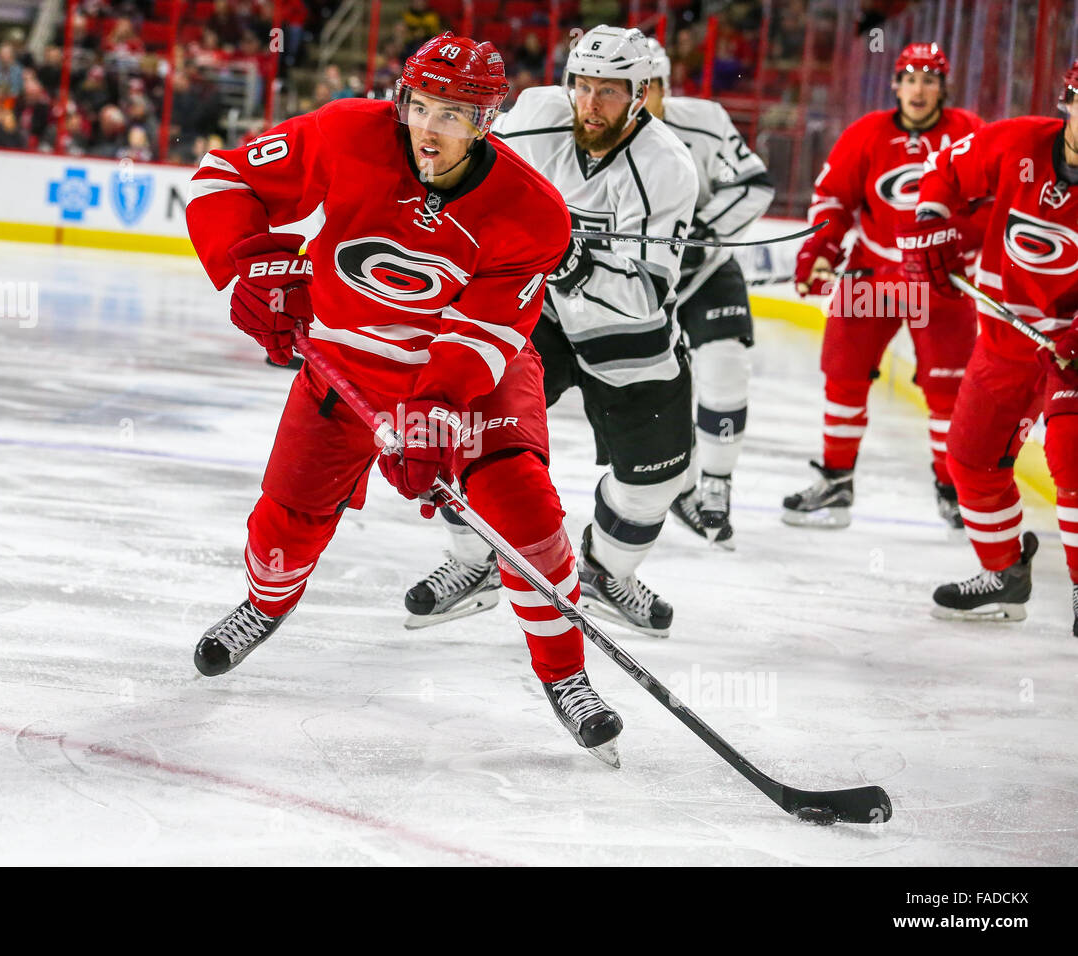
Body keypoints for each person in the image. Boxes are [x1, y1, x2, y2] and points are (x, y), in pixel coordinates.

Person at [185, 33, 625, 764]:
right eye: (420, 106)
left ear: (486, 121)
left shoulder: (532, 212)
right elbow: (222, 177)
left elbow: (482, 336)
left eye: (452, 114)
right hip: (343, 362)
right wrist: (246, 270)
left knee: (526, 516)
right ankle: (264, 605)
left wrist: (432, 411)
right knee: (284, 523)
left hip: (472, 382)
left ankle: (566, 674)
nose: (429, 126)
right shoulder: (344, 134)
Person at [402, 25, 699, 637]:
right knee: (470, 421)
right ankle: (474, 560)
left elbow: (647, 294)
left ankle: (604, 571)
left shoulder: (668, 167)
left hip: (624, 333)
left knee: (656, 475)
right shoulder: (536, 114)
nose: (590, 104)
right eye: (582, 86)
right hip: (535, 310)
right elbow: (476, 174)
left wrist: (578, 262)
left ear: (641, 93)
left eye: (609, 92)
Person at [902, 59, 1078, 635]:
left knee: (1072, 458)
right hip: (1005, 339)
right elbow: (945, 169)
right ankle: (1005, 574)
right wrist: (931, 215)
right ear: (1067, 100)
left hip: (1073, 349)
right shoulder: (1019, 141)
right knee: (971, 460)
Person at [785, 43, 984, 529]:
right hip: (873, 269)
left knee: (949, 389)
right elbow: (833, 197)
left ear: (944, 87)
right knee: (843, 373)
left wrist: (963, 249)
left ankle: (951, 486)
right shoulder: (866, 133)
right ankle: (835, 480)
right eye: (910, 78)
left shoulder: (969, 133)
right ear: (895, 85)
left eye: (930, 79)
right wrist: (820, 252)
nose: (919, 88)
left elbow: (992, 201)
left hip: (942, 279)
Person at [627, 36, 774, 547]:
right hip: (635, 283)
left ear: (666, 87)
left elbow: (753, 183)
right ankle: (677, 484)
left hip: (707, 271)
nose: (637, 100)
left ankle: (717, 483)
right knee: (644, 390)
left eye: (648, 88)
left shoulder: (706, 121)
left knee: (726, 367)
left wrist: (706, 230)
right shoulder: (594, 131)